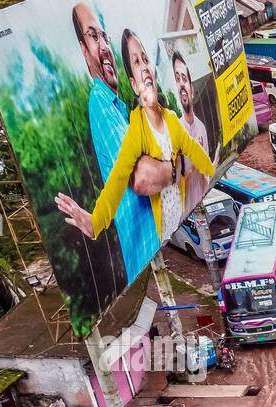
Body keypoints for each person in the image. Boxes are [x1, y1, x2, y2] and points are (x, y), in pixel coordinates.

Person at [57, 30, 214, 250]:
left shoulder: (171, 119)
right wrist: (95, 222)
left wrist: (209, 169)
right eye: (136, 62)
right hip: (163, 233)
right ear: (133, 83)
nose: (144, 67)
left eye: (145, 59)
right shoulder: (137, 129)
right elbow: (118, 178)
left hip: (182, 215)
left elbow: (193, 149)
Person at [70, 2, 165, 283]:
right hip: (146, 248)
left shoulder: (119, 109)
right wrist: (178, 165)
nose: (104, 46)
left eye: (104, 36)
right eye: (93, 36)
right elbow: (143, 178)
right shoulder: (100, 104)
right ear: (84, 51)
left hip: (156, 241)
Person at [172, 51, 210, 217]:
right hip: (185, 217)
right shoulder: (175, 132)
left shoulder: (201, 127)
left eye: (184, 78)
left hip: (203, 204)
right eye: (177, 79)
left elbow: (207, 175)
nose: (181, 84)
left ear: (191, 90)